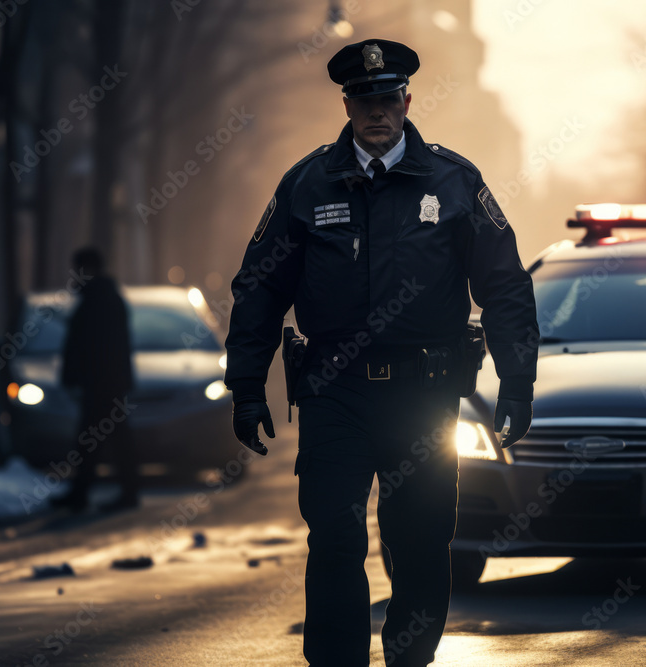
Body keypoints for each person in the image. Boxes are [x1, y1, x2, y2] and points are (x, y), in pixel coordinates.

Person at [224, 38, 538, 666]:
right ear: (346, 104)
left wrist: (517, 383)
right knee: (334, 535)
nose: (377, 111)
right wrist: (247, 386)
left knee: (420, 539)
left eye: (388, 98)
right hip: (334, 393)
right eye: (364, 98)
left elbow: (504, 286)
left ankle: (409, 658)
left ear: (407, 102)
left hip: (423, 395)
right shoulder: (307, 183)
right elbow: (259, 287)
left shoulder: (454, 182)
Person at [53, 247, 139, 512]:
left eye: (78, 269)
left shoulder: (99, 300)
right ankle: (94, 492)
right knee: (102, 440)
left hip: (103, 384)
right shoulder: (102, 297)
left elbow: (93, 346)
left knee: (96, 440)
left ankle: (90, 494)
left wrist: (77, 376)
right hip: (106, 383)